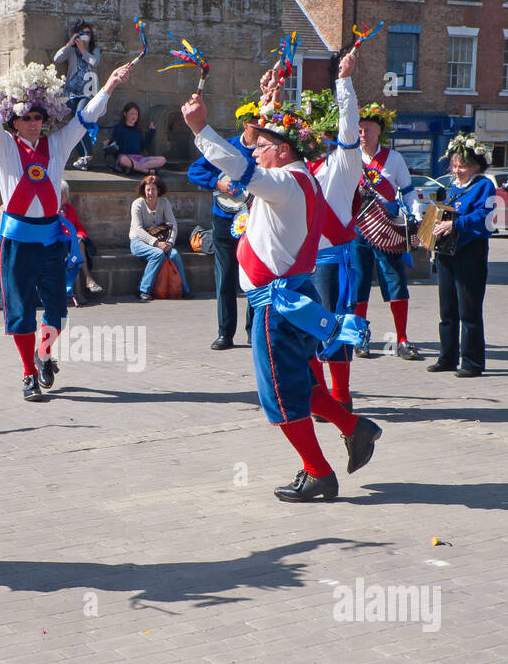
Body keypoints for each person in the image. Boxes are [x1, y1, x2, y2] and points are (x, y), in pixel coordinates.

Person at [182, 74, 380, 502]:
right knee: (299, 383)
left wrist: (200, 129)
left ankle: (318, 472)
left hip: (278, 305)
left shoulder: (287, 183)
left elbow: (240, 168)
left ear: (283, 150)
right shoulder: (296, 181)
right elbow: (241, 167)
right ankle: (354, 426)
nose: (254, 150)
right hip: (289, 299)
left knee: (278, 393)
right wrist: (266, 102)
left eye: (262, 146)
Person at [0, 53, 131, 401]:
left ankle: (45, 354)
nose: (34, 122)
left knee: (57, 310)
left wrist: (109, 84)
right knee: (20, 311)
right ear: (14, 122)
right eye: (26, 117)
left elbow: (85, 117)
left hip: (50, 240)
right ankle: (28, 373)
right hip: (16, 243)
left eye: (39, 116)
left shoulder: (57, 145)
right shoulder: (3, 146)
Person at [297, 59, 362, 411]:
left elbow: (349, 127)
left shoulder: (345, 163)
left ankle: (341, 396)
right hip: (300, 262)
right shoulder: (302, 168)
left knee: (335, 327)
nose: (313, 137)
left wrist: (345, 83)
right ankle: (319, 394)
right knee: (306, 327)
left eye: (319, 132)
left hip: (331, 261)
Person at [352, 102, 420, 360]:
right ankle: (360, 337)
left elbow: (408, 190)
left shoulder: (394, 158)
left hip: (386, 230)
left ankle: (401, 339)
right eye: (359, 130)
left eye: (367, 129)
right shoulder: (350, 157)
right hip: (357, 229)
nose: (362, 135)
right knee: (358, 282)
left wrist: (414, 217)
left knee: (395, 281)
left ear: (379, 131)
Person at [427, 134, 496, 378]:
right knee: (447, 309)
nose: (457, 171)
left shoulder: (484, 185)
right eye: (455, 166)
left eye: (463, 166)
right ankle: (447, 357)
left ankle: (472, 362)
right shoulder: (453, 186)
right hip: (447, 251)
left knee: (469, 310)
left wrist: (457, 224)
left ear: (477, 165)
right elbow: (443, 212)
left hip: (470, 252)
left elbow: (484, 215)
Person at [188, 132, 254, 349]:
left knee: (255, 278)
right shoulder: (226, 146)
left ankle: (254, 331)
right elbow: (195, 170)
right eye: (254, 123)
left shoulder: (265, 148)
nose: (258, 127)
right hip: (224, 219)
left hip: (254, 220)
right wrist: (217, 183)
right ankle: (225, 333)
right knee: (225, 276)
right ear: (245, 124)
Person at [129, 174, 190, 302]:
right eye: (148, 189)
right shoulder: (137, 204)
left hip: (161, 240)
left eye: (153, 189)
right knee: (157, 254)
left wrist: (169, 243)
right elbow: (138, 229)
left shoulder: (164, 202)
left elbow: (172, 224)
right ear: (143, 190)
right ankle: (143, 290)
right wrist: (156, 243)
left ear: (159, 190)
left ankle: (184, 289)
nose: (151, 193)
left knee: (174, 255)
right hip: (138, 241)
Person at [54, 20, 100, 170]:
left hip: (87, 91)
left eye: (88, 33)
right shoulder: (72, 50)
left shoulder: (94, 50)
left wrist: (84, 52)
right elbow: (57, 59)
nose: (85, 36)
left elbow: (95, 62)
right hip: (72, 92)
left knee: (82, 116)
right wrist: (69, 44)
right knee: (75, 122)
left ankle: (88, 154)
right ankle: (83, 157)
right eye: (82, 33)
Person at [59, 181, 103, 302]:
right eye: (58, 193)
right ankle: (87, 281)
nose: (61, 197)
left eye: (63, 194)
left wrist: (80, 235)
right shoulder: (50, 210)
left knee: (77, 248)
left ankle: (78, 294)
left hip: (72, 244)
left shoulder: (69, 209)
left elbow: (78, 226)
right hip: (58, 244)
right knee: (75, 253)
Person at [111, 102, 166, 175]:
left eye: (136, 114)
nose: (134, 116)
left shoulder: (138, 130)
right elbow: (114, 145)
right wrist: (108, 144)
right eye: (131, 113)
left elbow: (142, 147)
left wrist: (151, 132)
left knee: (162, 159)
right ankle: (146, 171)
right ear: (125, 114)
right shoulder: (119, 128)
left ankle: (135, 169)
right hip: (127, 158)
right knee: (123, 160)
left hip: (138, 159)